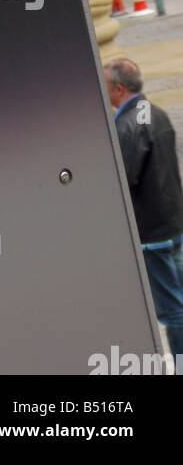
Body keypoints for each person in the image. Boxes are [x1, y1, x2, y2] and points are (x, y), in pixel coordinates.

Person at [104, 57, 183, 357]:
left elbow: (122, 179)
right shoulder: (157, 113)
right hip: (173, 224)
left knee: (173, 310)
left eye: (106, 84)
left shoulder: (127, 126)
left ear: (119, 89)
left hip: (152, 233)